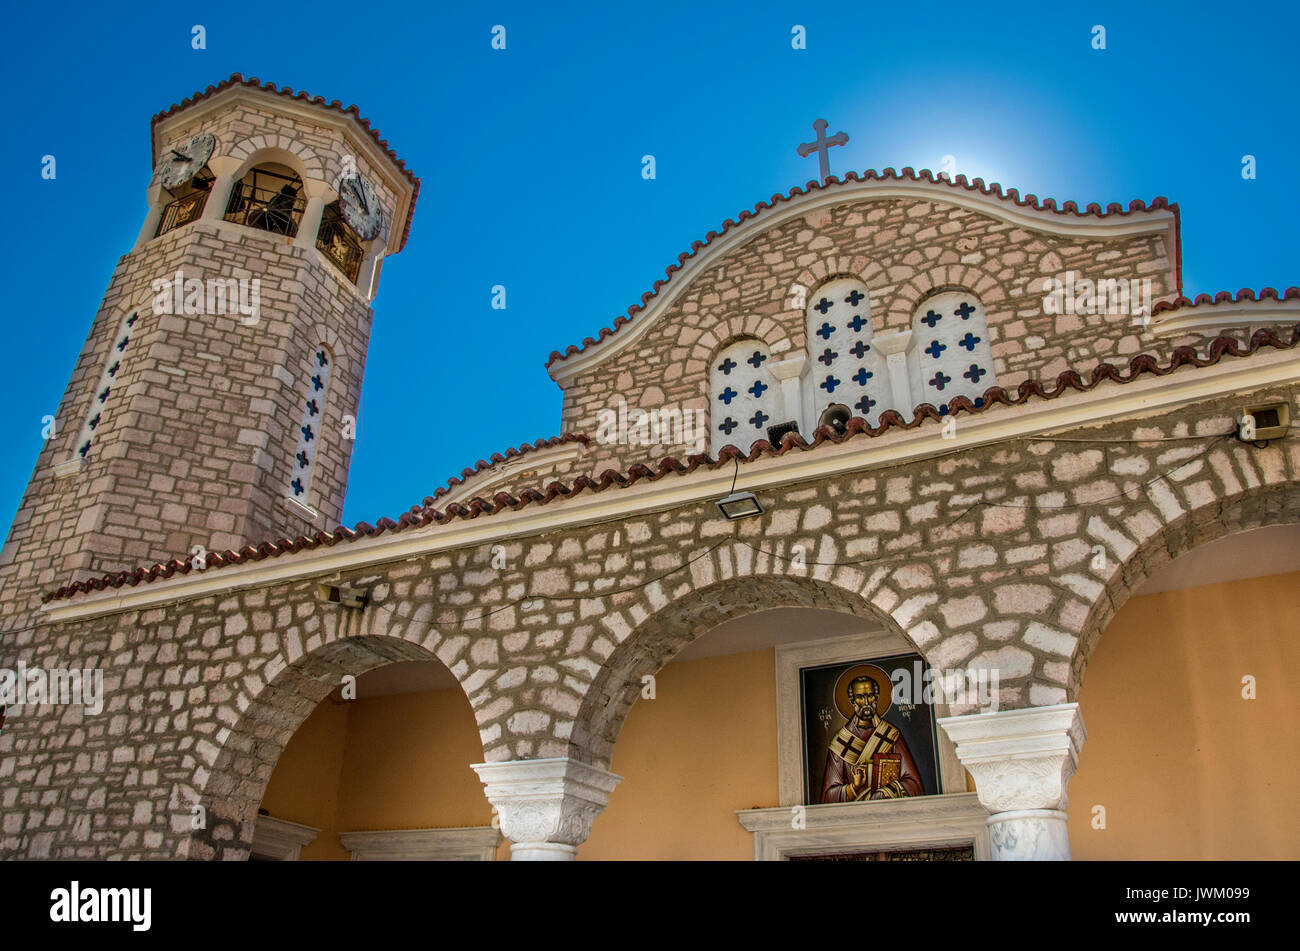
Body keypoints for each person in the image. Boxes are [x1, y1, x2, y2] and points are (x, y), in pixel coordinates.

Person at [820, 674, 924, 802]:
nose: (867, 702)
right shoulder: (840, 742)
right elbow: (828, 796)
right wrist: (854, 787)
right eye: (860, 697)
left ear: (876, 697)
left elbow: (913, 783)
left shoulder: (891, 735)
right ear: (852, 701)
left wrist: (885, 792)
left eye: (870, 696)